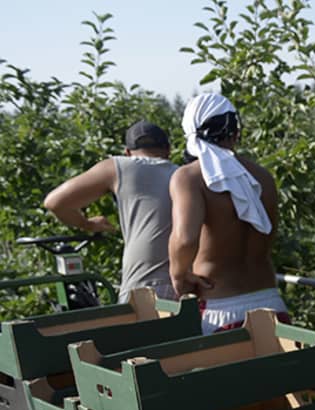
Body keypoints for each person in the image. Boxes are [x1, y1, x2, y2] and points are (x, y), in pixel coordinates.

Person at [169, 93, 290, 334]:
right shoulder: (262, 177)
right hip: (272, 304)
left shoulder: (189, 177)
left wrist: (178, 275)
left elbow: (185, 240)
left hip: (221, 308)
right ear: (236, 133)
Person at [42, 121, 178, 302]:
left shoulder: (118, 166)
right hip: (186, 284)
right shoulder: (185, 174)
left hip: (146, 286)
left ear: (127, 152)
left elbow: (55, 202)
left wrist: (87, 224)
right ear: (168, 150)